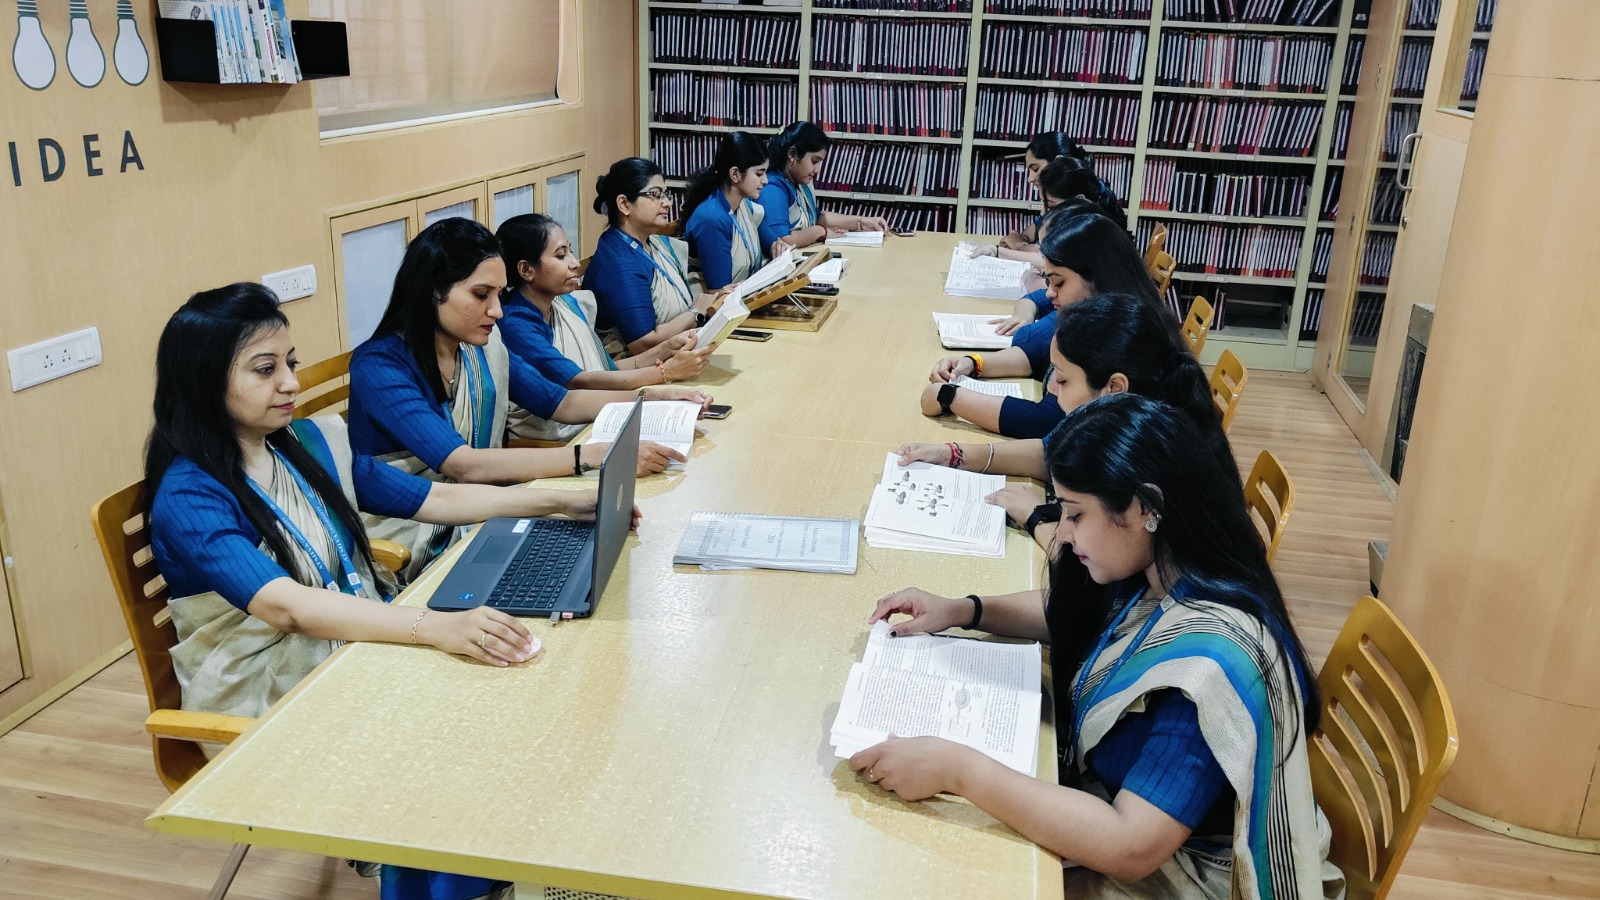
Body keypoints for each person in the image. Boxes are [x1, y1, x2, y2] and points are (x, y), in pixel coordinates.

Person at [146, 283, 615, 900]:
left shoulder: (302, 445)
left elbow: (436, 498)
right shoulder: (189, 494)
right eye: (265, 370)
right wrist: (433, 627)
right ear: (203, 381)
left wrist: (562, 499)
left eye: (289, 361)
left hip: (341, 638)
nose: (289, 382)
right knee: (459, 717)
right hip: (266, 683)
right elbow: (285, 609)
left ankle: (504, 862)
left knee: (505, 682)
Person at [857, 394, 1340, 900]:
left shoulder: (1209, 671)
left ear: (1146, 509)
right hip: (1136, 816)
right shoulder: (1167, 565)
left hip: (1193, 869)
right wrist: (966, 610)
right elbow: (1074, 614)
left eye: (1075, 514)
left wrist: (959, 770)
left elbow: (1130, 846)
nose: (1062, 532)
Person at [349, 218, 707, 577]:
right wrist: (592, 456)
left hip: (486, 505)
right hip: (414, 531)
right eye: (480, 294)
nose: (497, 310)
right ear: (431, 291)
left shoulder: (480, 347)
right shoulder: (380, 365)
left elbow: (561, 403)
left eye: (498, 294)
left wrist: (655, 396)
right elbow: (464, 465)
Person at [900, 292, 1233, 550]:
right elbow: (1049, 454)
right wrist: (954, 454)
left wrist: (1035, 517)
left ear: (1113, 387)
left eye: (1062, 379)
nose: (1053, 390)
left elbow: (1090, 586)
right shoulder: (1128, 420)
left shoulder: (1138, 460)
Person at [920, 210, 1163, 439]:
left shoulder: (1116, 333)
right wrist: (973, 363)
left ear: (1097, 278)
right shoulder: (1093, 312)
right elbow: (1036, 356)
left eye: (1059, 283)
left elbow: (1047, 422)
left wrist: (951, 397)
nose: (1049, 294)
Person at [497, 213, 713, 442]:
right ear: (526, 270)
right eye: (561, 256)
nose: (574, 263)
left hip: (596, 416)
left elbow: (603, 369)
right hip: (555, 439)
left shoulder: (564, 304)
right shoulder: (515, 323)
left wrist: (667, 349)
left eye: (570, 251)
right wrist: (665, 373)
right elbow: (578, 380)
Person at [584, 157, 730, 356]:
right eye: (655, 195)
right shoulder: (619, 263)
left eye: (666, 194)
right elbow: (644, 343)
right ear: (624, 204)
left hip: (677, 351)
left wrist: (715, 297)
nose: (668, 203)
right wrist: (695, 313)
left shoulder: (652, 243)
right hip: (639, 368)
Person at [756, 121, 889, 249]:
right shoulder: (772, 188)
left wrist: (861, 222)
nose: (818, 170)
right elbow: (783, 240)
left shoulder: (800, 183)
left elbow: (816, 217)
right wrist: (821, 231)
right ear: (792, 155)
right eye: (814, 161)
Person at [679, 131, 783, 290]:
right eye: (759, 173)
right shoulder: (712, 219)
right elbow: (720, 291)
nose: (766, 180)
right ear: (735, 174)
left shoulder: (744, 205)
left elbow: (774, 244)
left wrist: (778, 247)